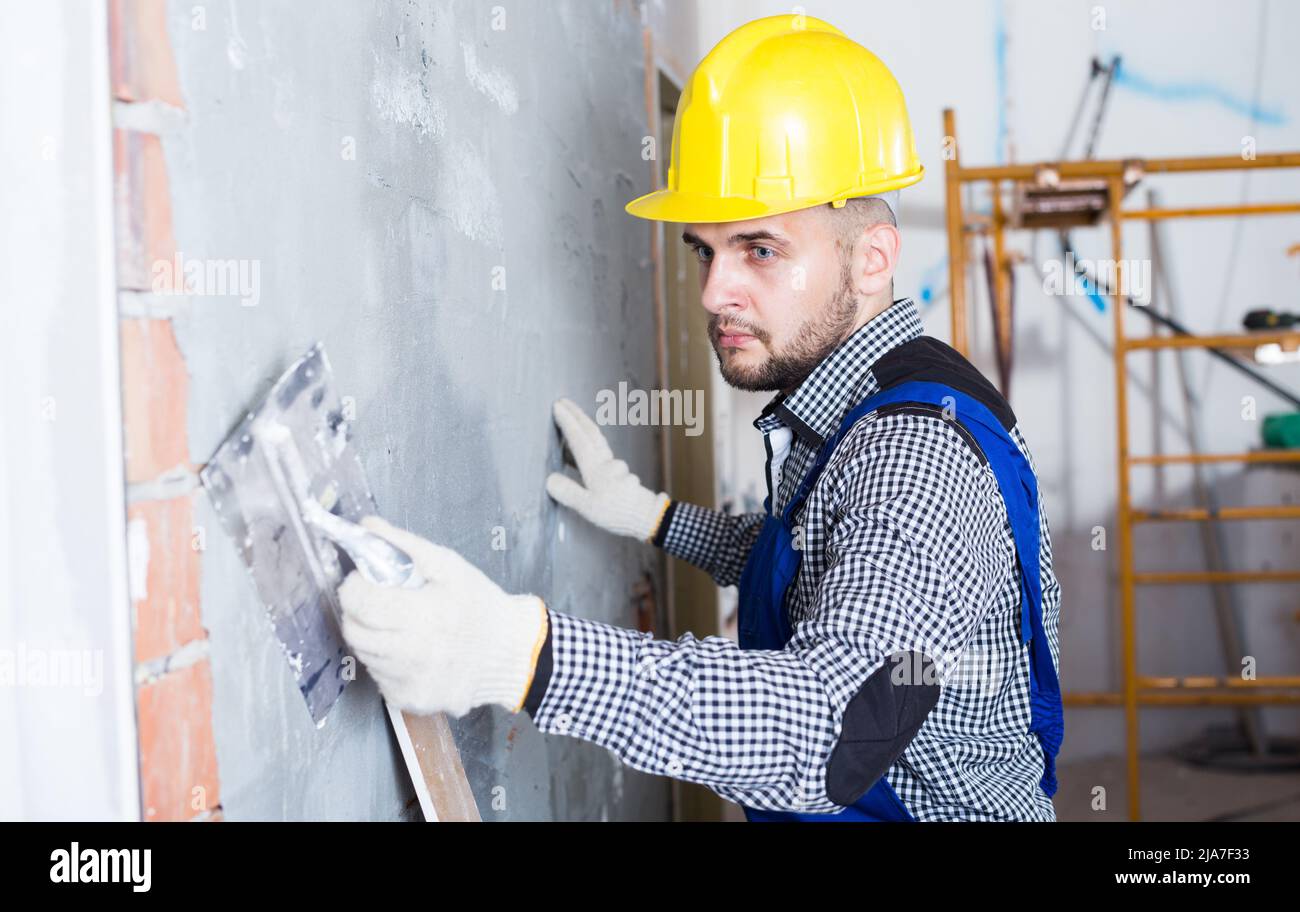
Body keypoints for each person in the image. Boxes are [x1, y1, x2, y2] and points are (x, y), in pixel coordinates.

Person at [339, 13, 1063, 821]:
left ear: (871, 260)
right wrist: (653, 517)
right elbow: (813, 558)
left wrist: (524, 656)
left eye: (760, 249)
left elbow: (828, 731)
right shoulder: (861, 403)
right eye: (704, 252)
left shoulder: (914, 453)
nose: (716, 292)